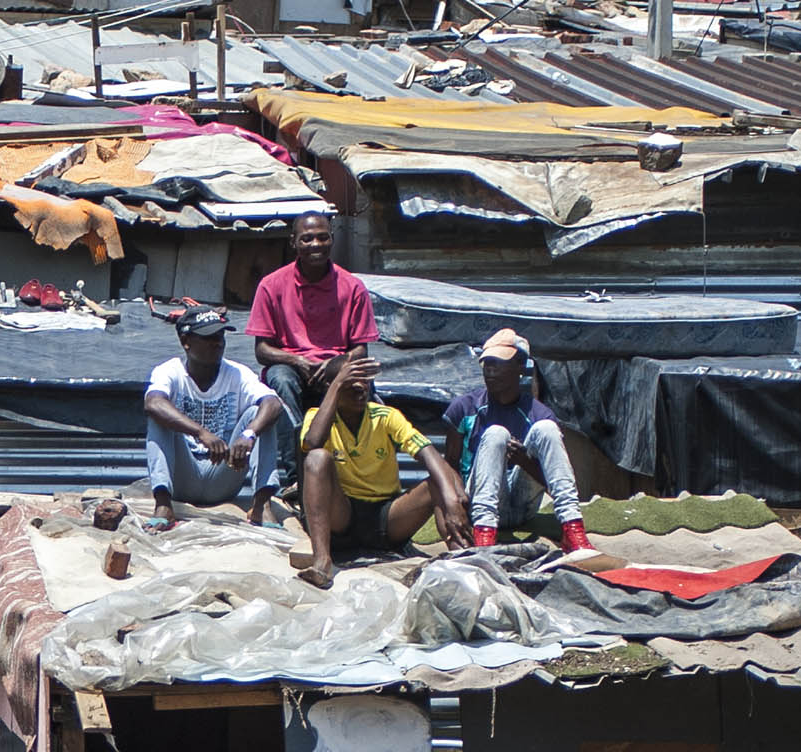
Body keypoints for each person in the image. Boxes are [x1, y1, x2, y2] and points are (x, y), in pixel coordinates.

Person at [244, 210, 376, 511]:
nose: (315, 244)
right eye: (307, 238)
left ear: (332, 239)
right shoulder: (271, 285)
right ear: (294, 243)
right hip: (292, 369)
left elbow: (361, 349)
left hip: (335, 367)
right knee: (278, 378)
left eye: (322, 237)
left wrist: (335, 366)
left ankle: (364, 479)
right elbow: (262, 350)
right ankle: (295, 478)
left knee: (361, 379)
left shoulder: (352, 287)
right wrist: (298, 361)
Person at [297, 350, 460, 586]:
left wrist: (452, 501)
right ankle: (322, 561)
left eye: (365, 382)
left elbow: (428, 454)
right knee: (317, 458)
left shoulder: (385, 416)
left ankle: (460, 557)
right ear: (333, 388)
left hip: (386, 516)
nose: (361, 389)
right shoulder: (317, 417)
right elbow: (311, 443)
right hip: (343, 516)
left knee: (442, 478)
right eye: (351, 384)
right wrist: (338, 383)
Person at [442, 326, 590, 551]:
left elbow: (551, 483)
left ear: (520, 366)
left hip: (522, 506)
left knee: (547, 429)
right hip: (480, 502)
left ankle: (573, 528)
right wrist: (457, 498)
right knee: (496, 433)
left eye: (499, 364)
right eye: (487, 364)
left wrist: (523, 460)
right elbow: (449, 463)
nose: (491, 371)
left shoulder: (538, 413)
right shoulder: (464, 408)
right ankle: (484, 534)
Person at [140, 309, 283, 517]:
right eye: (209, 338)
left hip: (224, 476)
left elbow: (273, 404)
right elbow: (153, 403)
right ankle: (163, 504)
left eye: (220, 337)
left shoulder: (238, 373)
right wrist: (200, 432)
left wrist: (249, 434)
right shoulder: (169, 371)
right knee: (159, 416)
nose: (218, 343)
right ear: (185, 341)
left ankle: (262, 504)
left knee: (259, 414)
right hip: (183, 477)